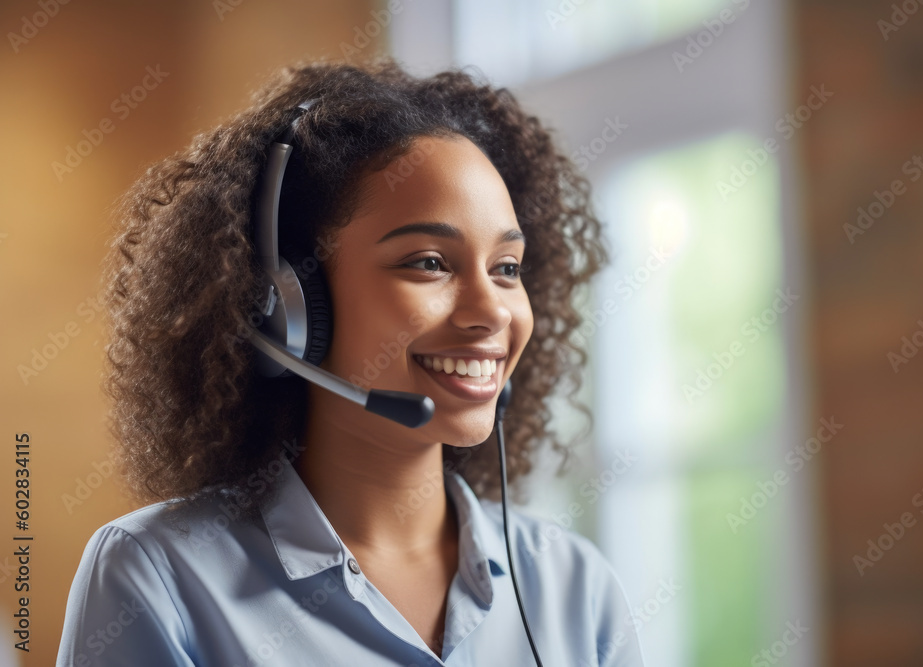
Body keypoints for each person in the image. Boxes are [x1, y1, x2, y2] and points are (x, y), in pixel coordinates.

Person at [56, 55, 646, 666]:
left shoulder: (575, 589)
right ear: (287, 308)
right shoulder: (159, 580)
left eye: (506, 269)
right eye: (430, 263)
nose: (492, 313)